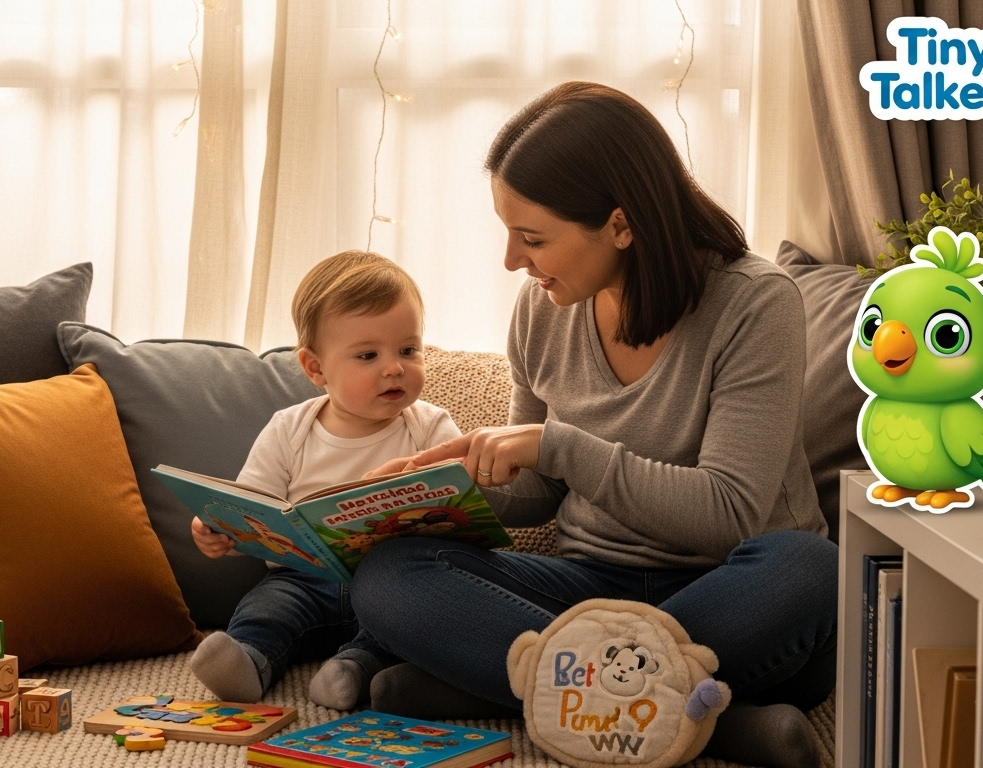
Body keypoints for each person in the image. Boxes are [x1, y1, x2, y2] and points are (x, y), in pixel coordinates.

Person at [350, 82, 836, 768]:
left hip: (728, 587)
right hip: (588, 591)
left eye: (534, 238)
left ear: (620, 224)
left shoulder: (755, 305)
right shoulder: (542, 308)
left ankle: (522, 690)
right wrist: (454, 489)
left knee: (811, 570)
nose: (514, 261)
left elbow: (729, 513)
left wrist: (558, 447)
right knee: (390, 574)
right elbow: (539, 495)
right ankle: (705, 723)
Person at [188, 250, 462, 711]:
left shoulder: (430, 427)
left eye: (408, 350)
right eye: (368, 355)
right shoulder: (289, 428)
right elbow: (250, 508)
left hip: (389, 585)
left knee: (405, 624)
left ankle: (352, 669)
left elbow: (465, 497)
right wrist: (219, 532)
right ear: (316, 368)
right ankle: (249, 662)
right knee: (264, 610)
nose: (393, 367)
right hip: (301, 581)